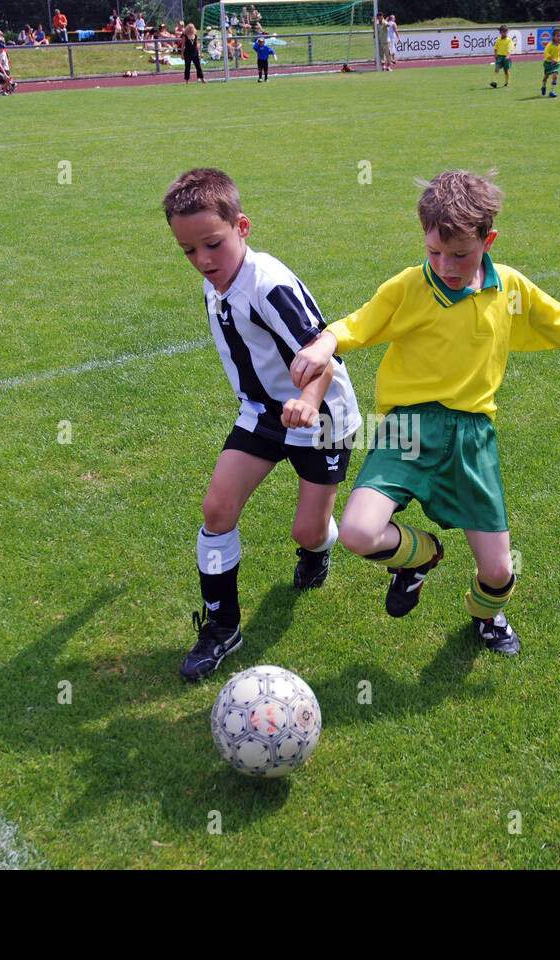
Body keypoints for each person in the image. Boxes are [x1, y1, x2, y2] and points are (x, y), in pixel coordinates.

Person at [289, 170, 560, 655]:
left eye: (460, 253)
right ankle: (419, 557)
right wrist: (325, 347)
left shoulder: (511, 289)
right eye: (433, 252)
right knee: (358, 531)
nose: (445, 264)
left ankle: (485, 616)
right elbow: (356, 324)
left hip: (472, 436)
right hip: (407, 428)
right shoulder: (407, 287)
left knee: (499, 571)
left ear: (489, 240)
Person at [162, 168, 363, 681]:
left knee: (309, 529)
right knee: (217, 506)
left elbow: (322, 352)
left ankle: (317, 551)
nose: (202, 261)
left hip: (321, 419)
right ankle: (221, 627)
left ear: (242, 226)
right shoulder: (218, 278)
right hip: (261, 414)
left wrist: (306, 401)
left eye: (212, 244)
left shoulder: (268, 283)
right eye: (188, 252)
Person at [541, 27, 560, 97]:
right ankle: (543, 86)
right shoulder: (549, 45)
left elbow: (559, 51)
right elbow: (546, 54)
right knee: (546, 77)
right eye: (558, 36)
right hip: (548, 63)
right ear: (553, 36)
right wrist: (552, 59)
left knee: (555, 76)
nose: (559, 37)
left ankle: (551, 92)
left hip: (556, 63)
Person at [490, 24, 514, 88]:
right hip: (499, 57)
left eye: (505, 32)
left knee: (506, 71)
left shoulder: (509, 40)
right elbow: (495, 48)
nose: (504, 33)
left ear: (507, 32)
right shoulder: (498, 40)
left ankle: (506, 83)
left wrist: (508, 56)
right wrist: (495, 54)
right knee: (496, 69)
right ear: (500, 32)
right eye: (502, 32)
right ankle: (495, 82)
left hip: (506, 57)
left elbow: (511, 49)